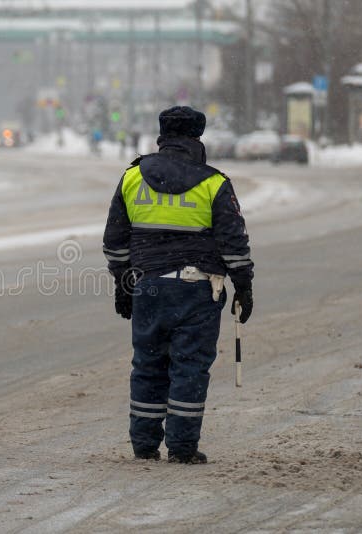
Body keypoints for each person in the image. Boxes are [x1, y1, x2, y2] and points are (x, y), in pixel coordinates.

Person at [102, 106, 254, 464]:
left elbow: (114, 242)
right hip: (197, 289)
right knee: (189, 366)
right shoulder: (214, 183)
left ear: (162, 136)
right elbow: (234, 243)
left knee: (148, 364)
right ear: (197, 138)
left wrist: (124, 285)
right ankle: (183, 448)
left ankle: (144, 444)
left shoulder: (132, 177)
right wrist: (244, 286)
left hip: (148, 286)